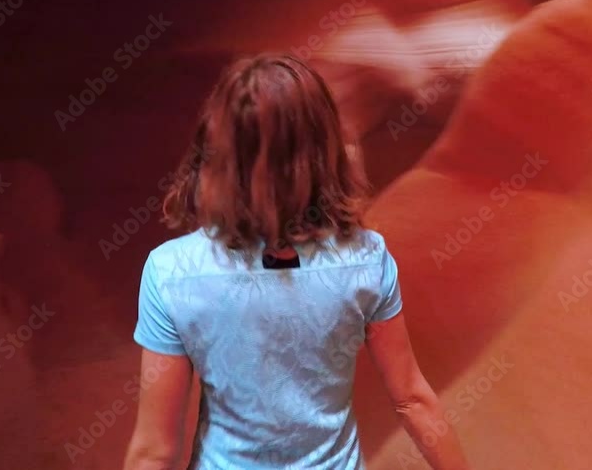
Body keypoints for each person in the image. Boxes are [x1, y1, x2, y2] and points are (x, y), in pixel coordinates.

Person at [123, 53, 470, 470]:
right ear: (325, 146)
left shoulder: (171, 272)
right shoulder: (366, 260)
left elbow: (155, 451)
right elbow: (413, 400)